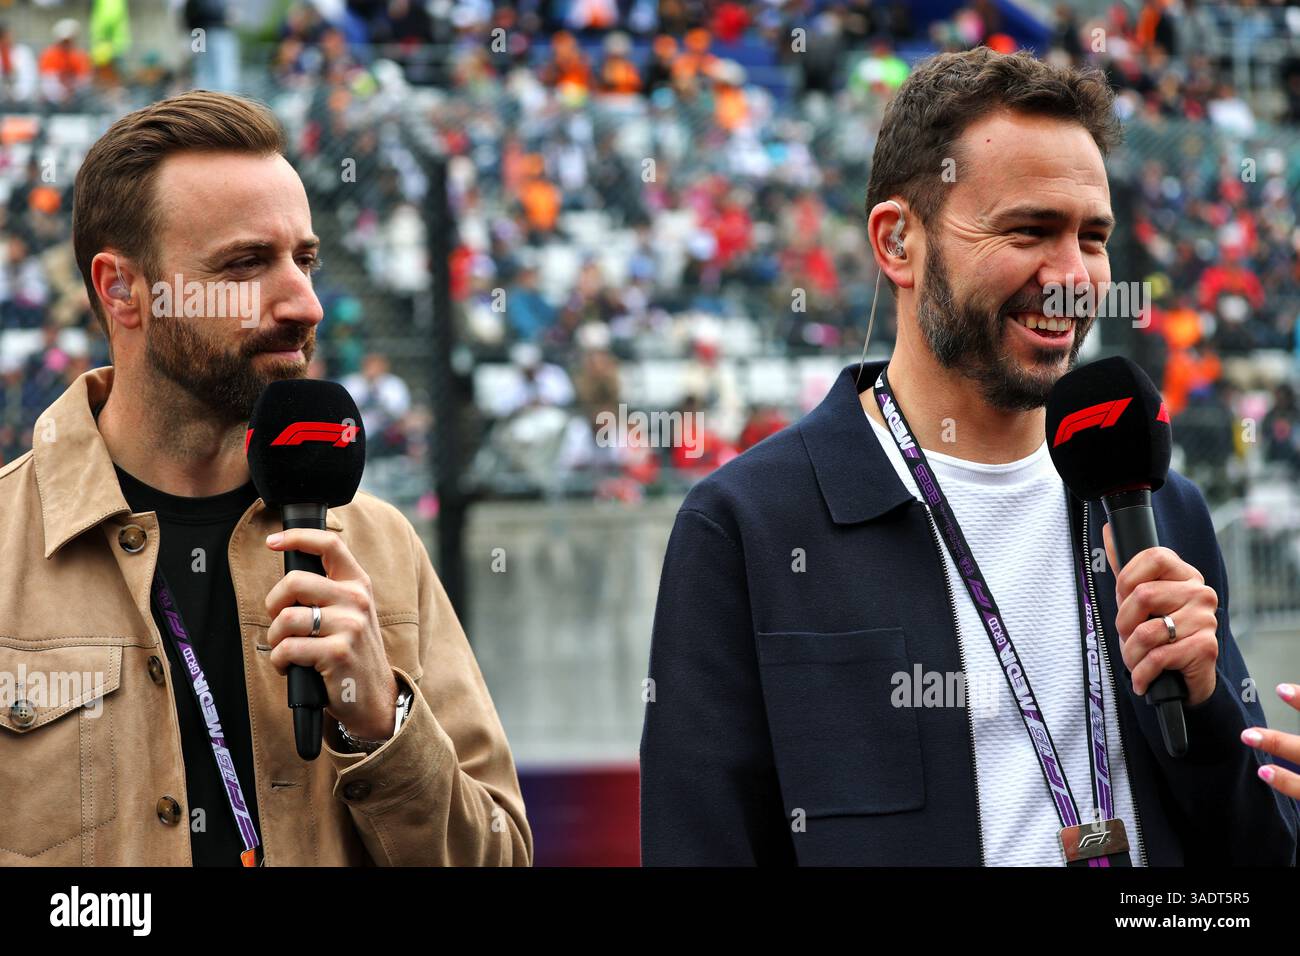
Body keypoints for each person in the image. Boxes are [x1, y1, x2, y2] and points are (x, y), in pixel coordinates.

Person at [640, 48, 1297, 866]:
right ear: (897, 242)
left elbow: (1253, 856)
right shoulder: (749, 526)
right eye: (1029, 230)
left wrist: (1204, 715)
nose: (1070, 278)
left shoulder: (1159, 506)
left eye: (1092, 238)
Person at [0, 91, 531, 866]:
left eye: (305, 259)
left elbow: (499, 857)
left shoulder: (378, 551)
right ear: (121, 289)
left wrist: (382, 726)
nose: (304, 302)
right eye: (246, 264)